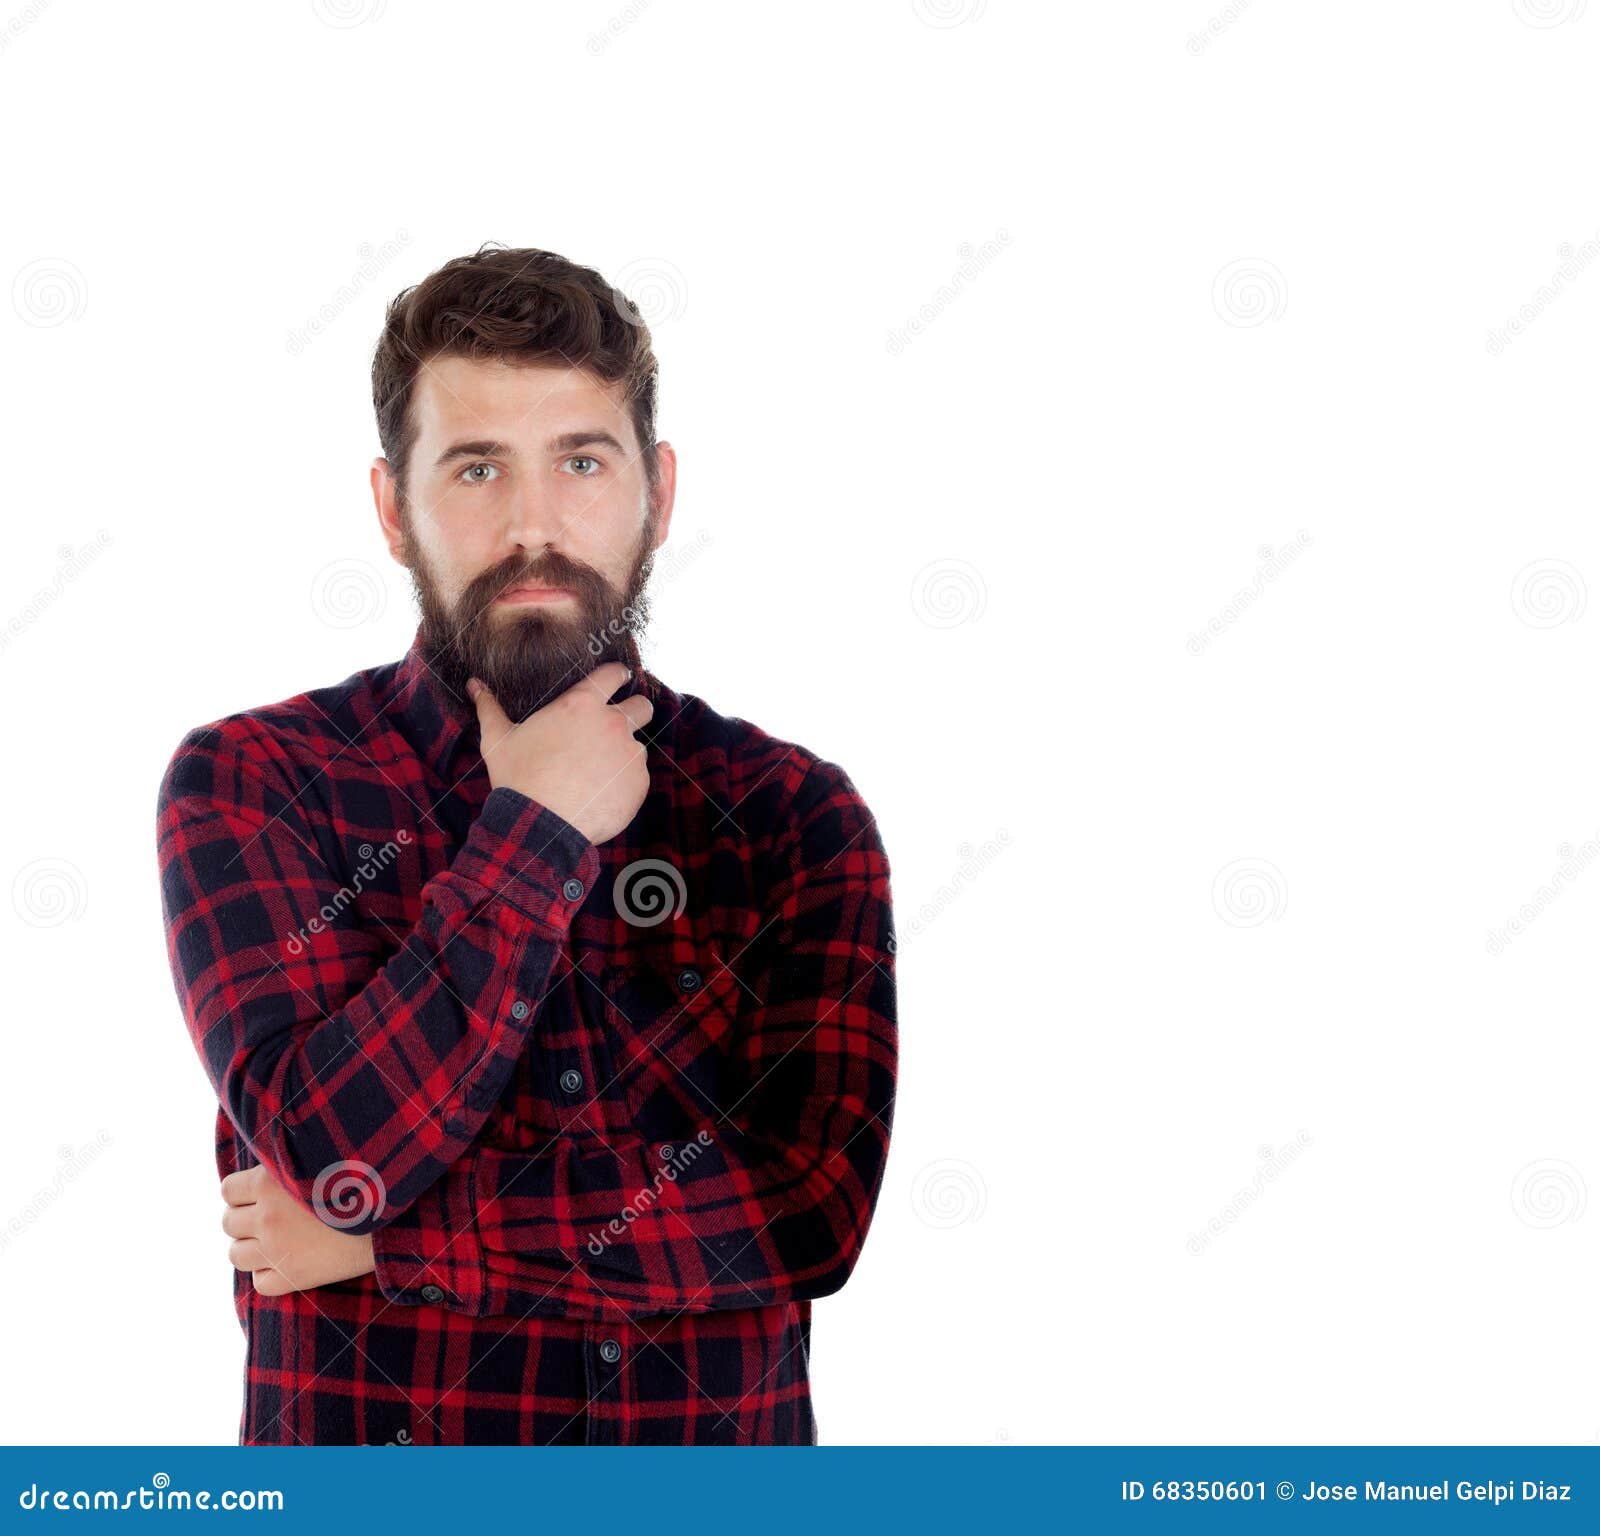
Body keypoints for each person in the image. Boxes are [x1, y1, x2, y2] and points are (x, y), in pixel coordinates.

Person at [155, 245, 898, 1446]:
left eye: (582, 461)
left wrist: (393, 1243)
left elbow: (807, 1214)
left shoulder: (792, 816)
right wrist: (536, 831)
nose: (533, 525)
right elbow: (337, 1149)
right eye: (477, 468)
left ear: (656, 489)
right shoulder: (256, 786)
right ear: (395, 509)